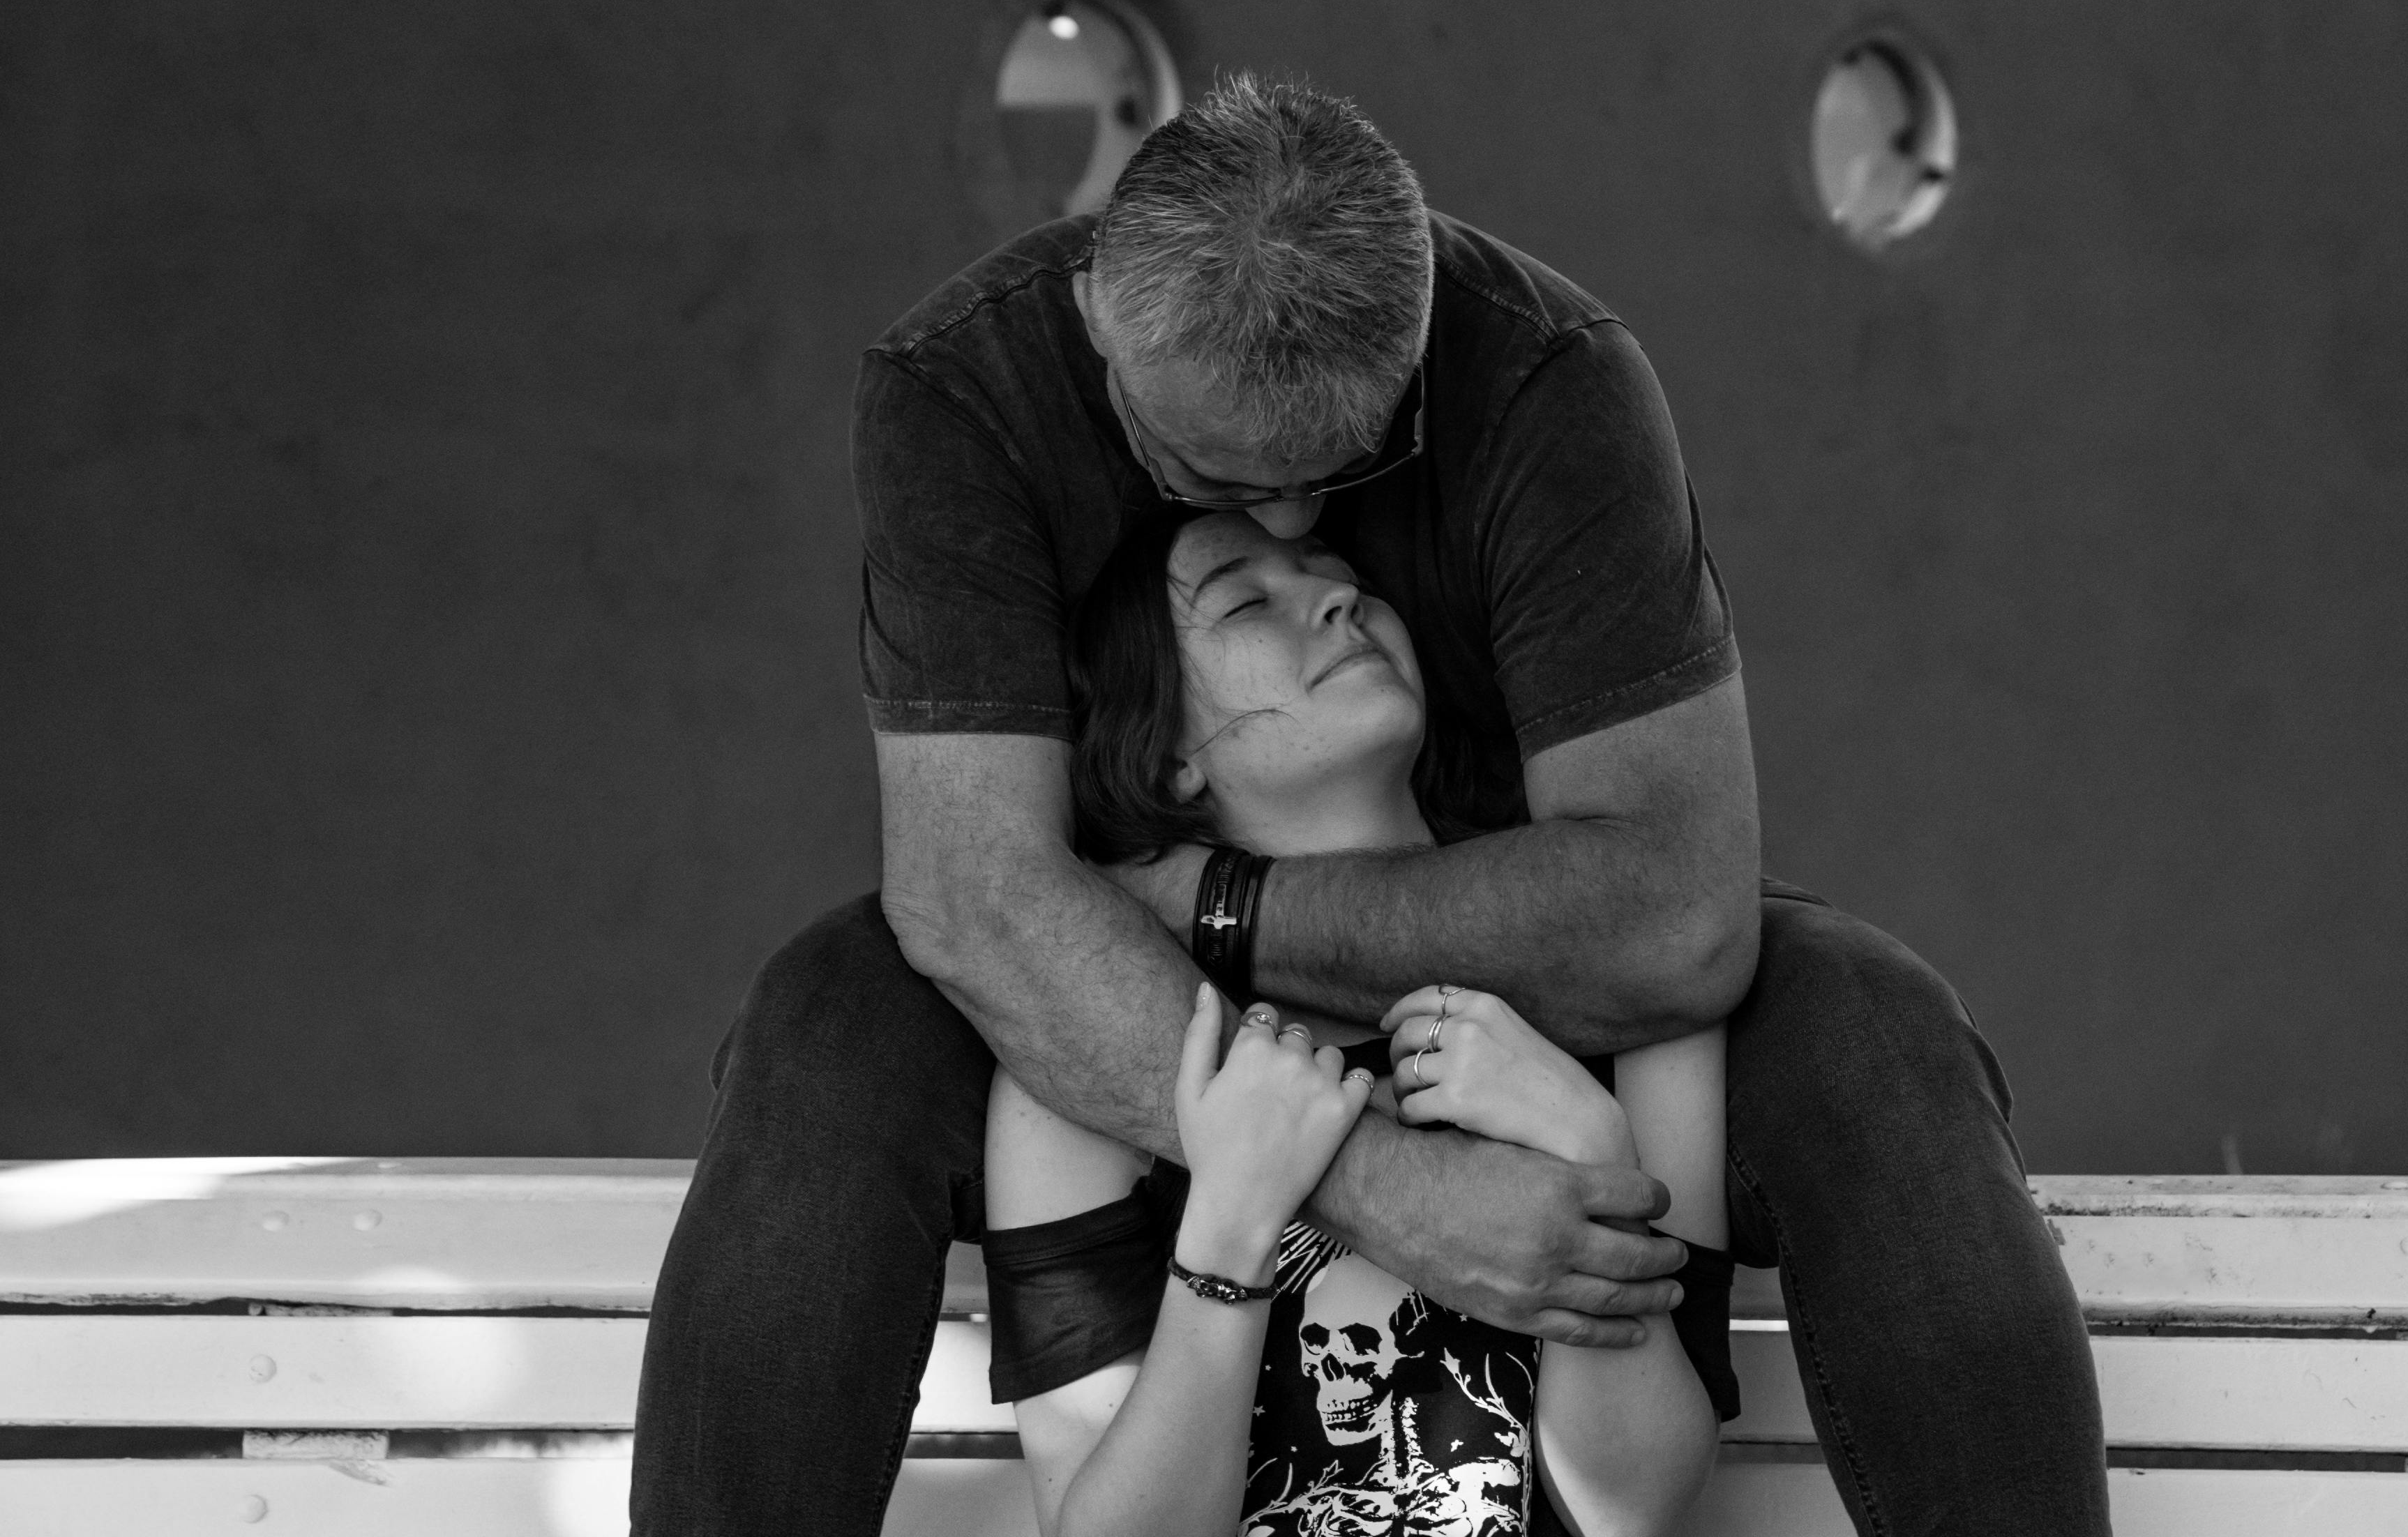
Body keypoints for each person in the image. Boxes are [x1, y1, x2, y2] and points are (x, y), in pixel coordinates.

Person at [631, 75, 2109, 1536]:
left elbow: (1672, 908)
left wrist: (1229, 910)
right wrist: (1373, 1182)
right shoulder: (964, 391)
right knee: (827, 1025)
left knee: (1876, 1028)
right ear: (1099, 321)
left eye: (1340, 479)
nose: (1294, 530)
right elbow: (982, 899)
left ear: (1412, 369)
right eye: (1215, 483)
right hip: (1108, 966)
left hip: (1525, 935)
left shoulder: (1546, 378)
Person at [986, 506, 1733, 1537]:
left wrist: (1591, 1153)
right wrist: (1236, 1220)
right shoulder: (1087, 1059)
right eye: (1249, 600)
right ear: (1165, 758)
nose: (1337, 598)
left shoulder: (1622, 990)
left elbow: (1637, 1507)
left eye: (1338, 572)